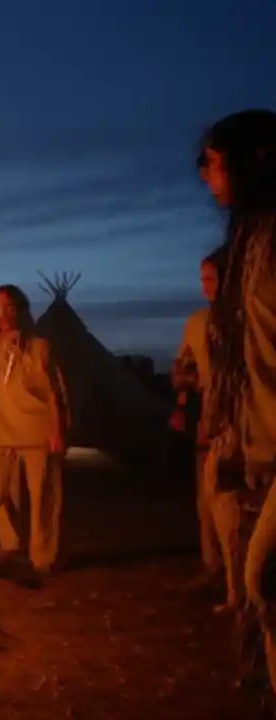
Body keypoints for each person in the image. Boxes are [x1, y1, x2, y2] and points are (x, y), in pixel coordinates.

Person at [196, 109, 276, 696]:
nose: (205, 175)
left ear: (257, 161)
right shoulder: (252, 239)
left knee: (264, 577)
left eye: (214, 161)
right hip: (260, 444)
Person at [0, 285, 68, 581]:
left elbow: (55, 393)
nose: (2, 314)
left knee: (42, 498)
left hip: (37, 430)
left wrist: (58, 431)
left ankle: (43, 558)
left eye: (9, 307)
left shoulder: (39, 347)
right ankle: (10, 542)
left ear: (21, 310)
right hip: (2, 430)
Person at [171, 250, 242, 609]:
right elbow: (183, 365)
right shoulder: (197, 323)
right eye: (202, 280)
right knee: (207, 504)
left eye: (211, 280)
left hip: (242, 425)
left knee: (232, 508)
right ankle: (214, 568)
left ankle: (239, 586)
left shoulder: (244, 320)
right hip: (209, 424)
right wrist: (184, 398)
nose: (205, 288)